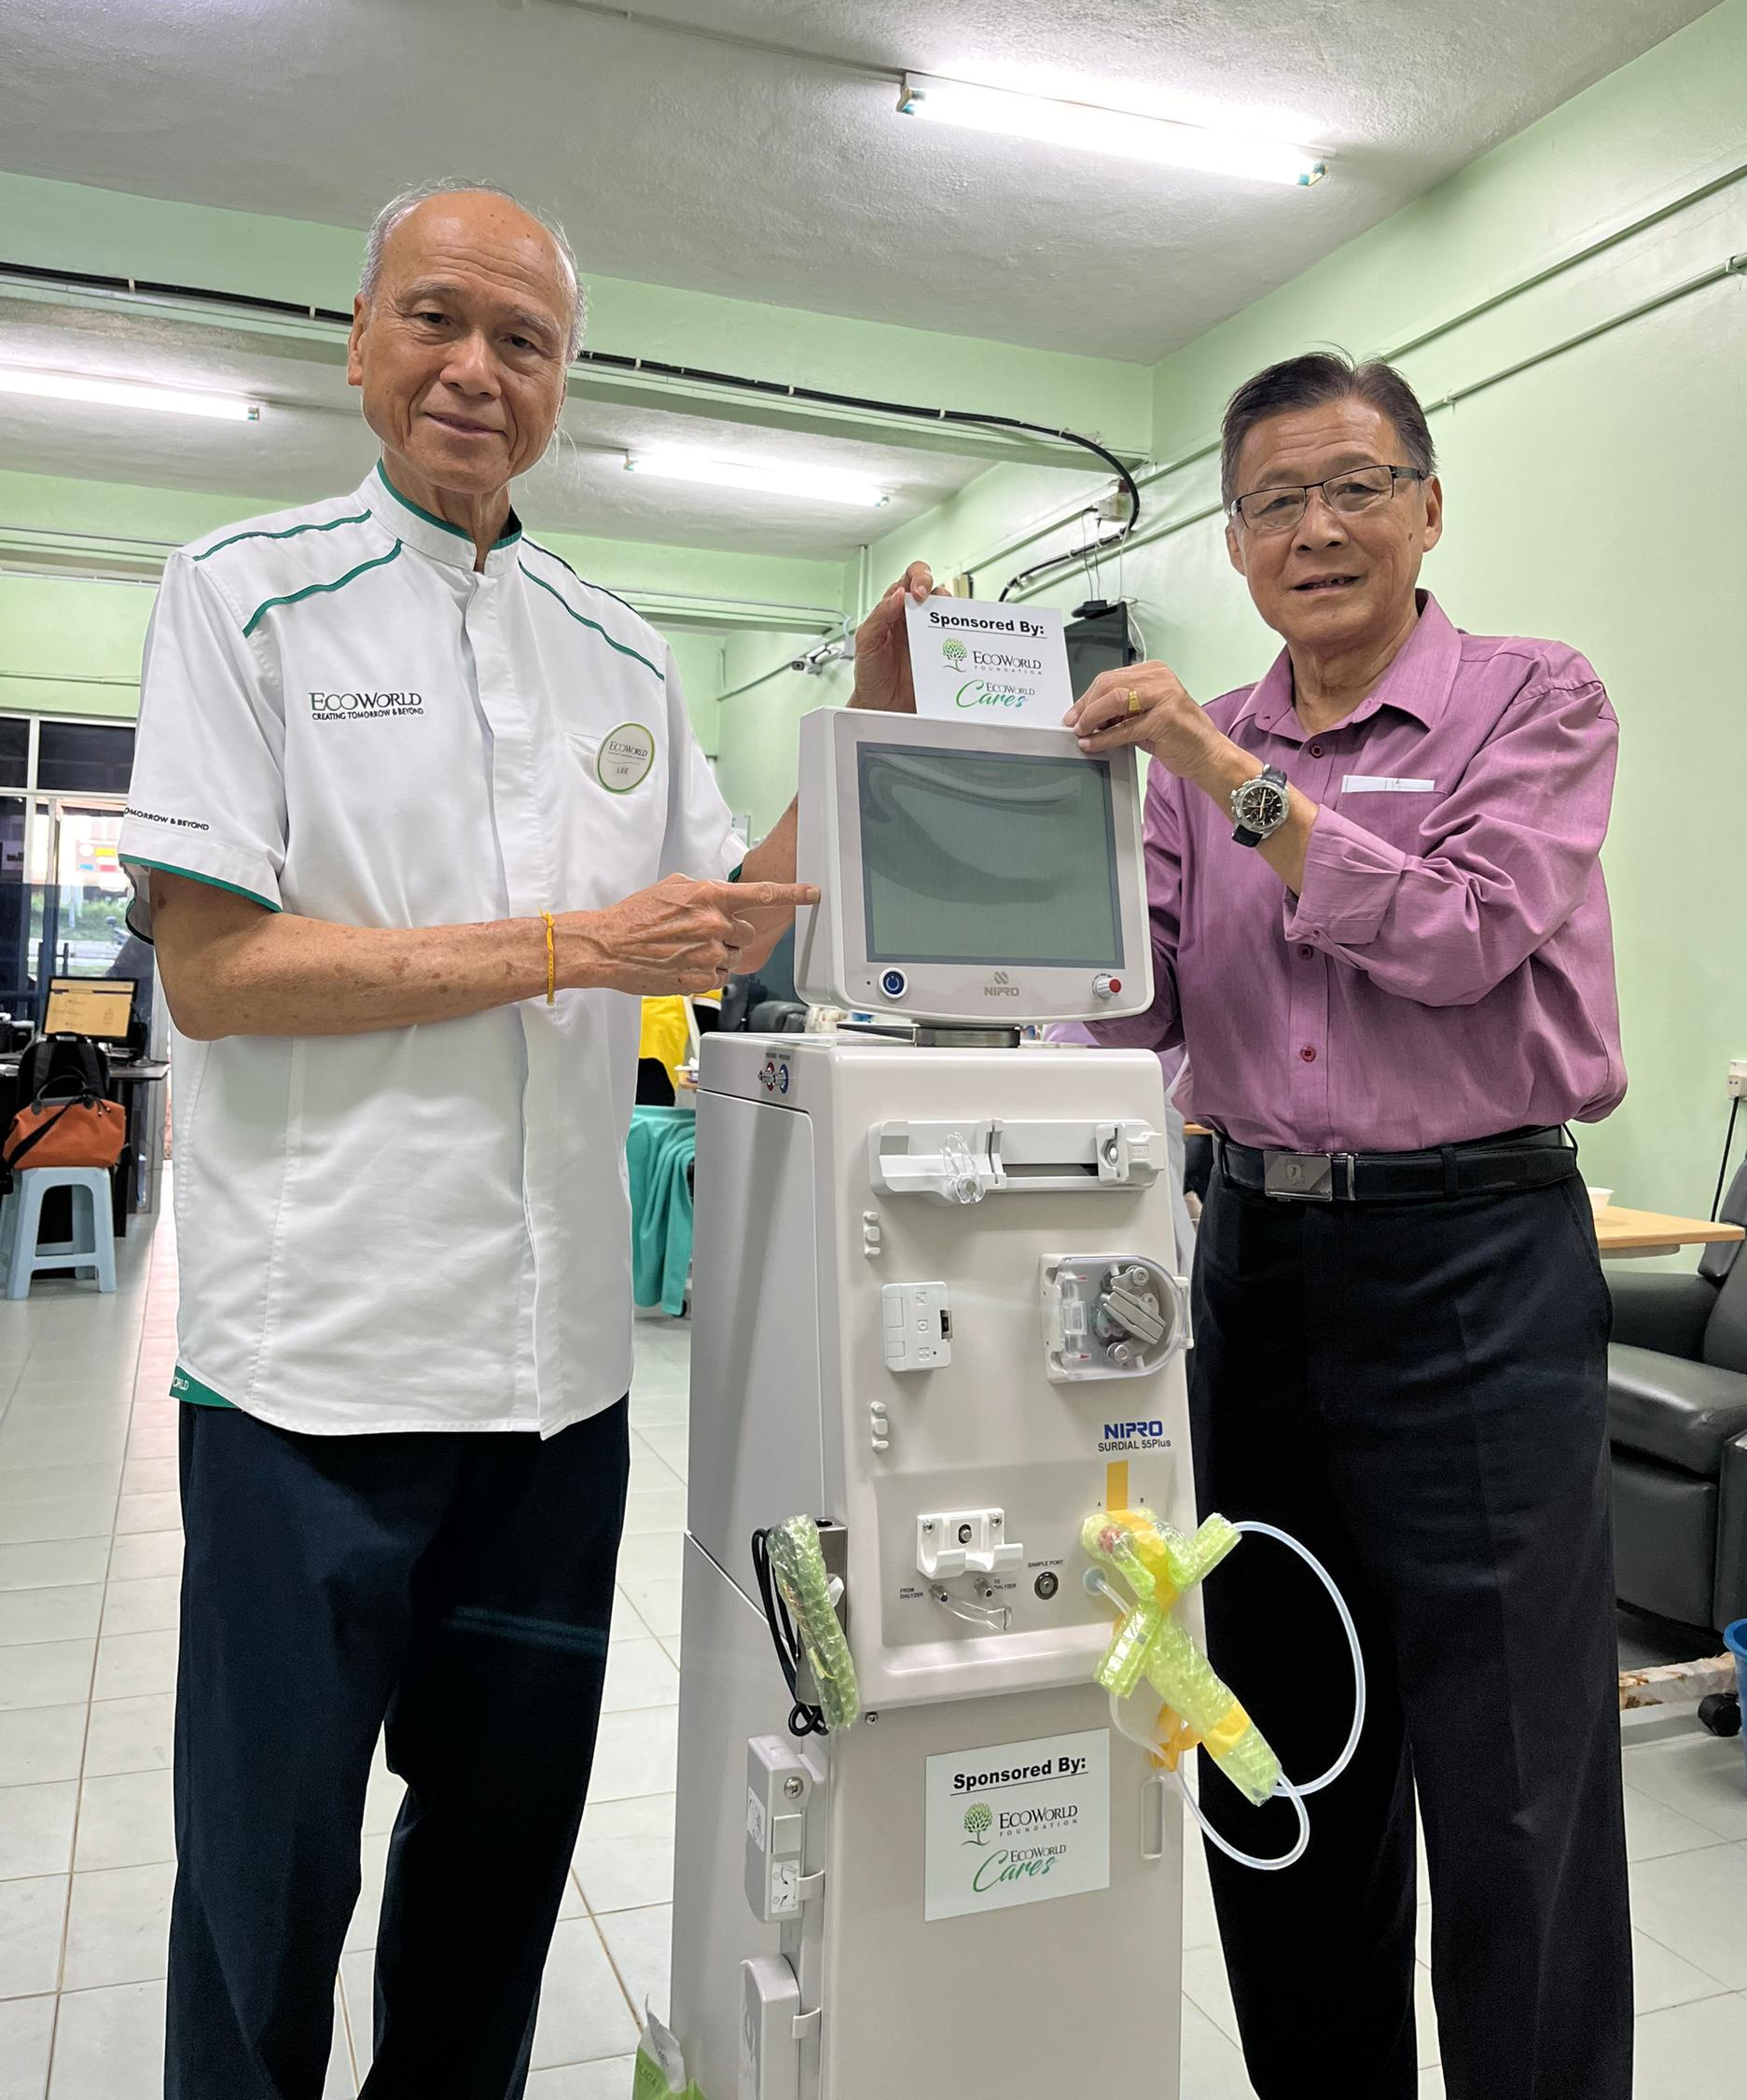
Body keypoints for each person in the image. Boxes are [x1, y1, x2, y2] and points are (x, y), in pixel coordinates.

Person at [120, 178, 931, 2100]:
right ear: (359, 336)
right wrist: (568, 945)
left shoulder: (618, 648)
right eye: (437, 319)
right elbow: (219, 967)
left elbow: (727, 927)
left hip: (555, 1405)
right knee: (268, 1879)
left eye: (526, 339)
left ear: (567, 379)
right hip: (307, 1383)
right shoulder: (240, 594)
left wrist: (862, 731)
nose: (477, 370)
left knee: (494, 1879)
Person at [1065, 352, 1629, 2100]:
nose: (1316, 529)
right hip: (1256, 1266)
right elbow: (1126, 1011)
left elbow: (1463, 935)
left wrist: (1230, 775)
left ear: (1428, 506)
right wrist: (1019, 821)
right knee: (1284, 1752)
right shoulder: (1180, 760)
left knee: (1514, 1776)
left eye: (1354, 487)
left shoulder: (1534, 701)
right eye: (1273, 504)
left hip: (1481, 1267)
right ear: (1232, 545)